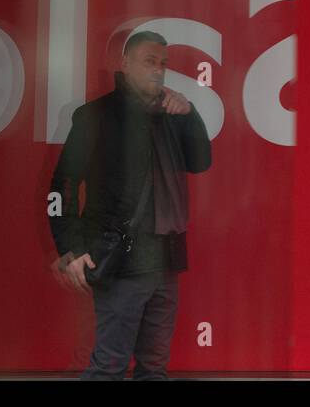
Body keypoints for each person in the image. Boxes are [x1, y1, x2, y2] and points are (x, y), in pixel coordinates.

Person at [48, 30, 212, 379]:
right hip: (119, 261)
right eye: (149, 61)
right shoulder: (96, 116)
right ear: (125, 63)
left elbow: (200, 161)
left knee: (154, 369)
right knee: (109, 366)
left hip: (165, 260)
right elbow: (62, 184)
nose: (158, 70)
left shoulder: (171, 112)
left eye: (163, 63)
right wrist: (71, 249)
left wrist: (190, 115)